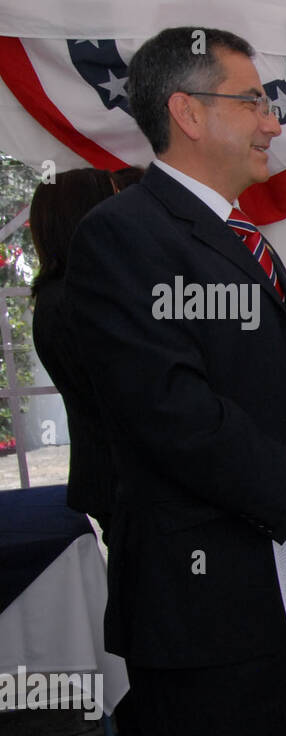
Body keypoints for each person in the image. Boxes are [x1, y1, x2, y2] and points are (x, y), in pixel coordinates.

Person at [66, 27, 286, 736]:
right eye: (255, 100)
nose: (273, 121)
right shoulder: (124, 236)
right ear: (187, 112)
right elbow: (172, 410)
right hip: (206, 606)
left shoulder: (241, 235)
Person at [31, 166, 143, 534]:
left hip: (118, 479)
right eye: (114, 203)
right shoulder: (78, 300)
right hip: (129, 482)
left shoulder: (62, 294)